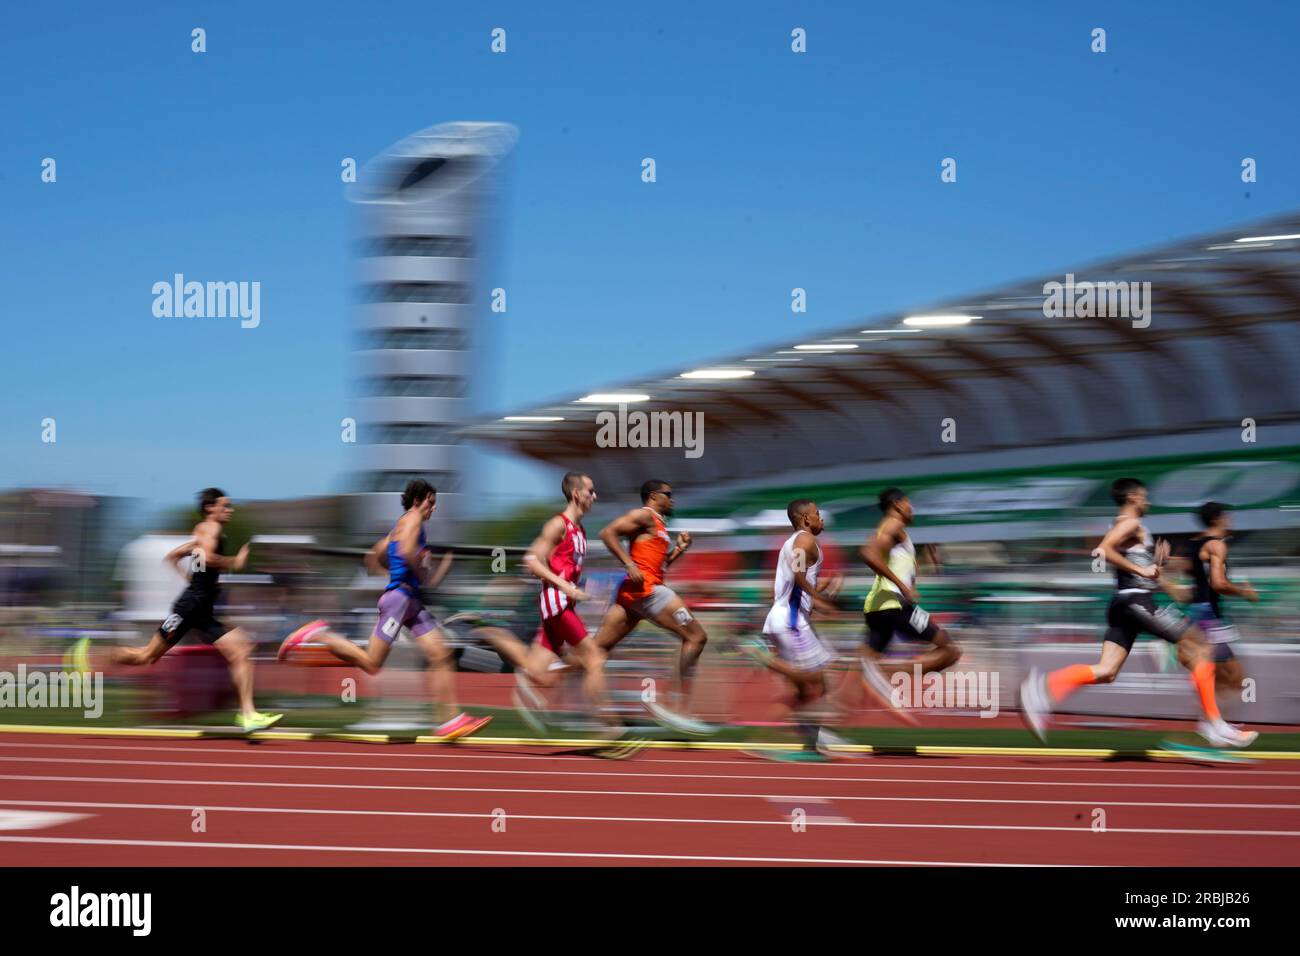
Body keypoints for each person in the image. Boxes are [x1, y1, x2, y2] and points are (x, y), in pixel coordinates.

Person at [1020, 479, 1257, 749]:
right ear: (1133, 497)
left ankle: (1041, 688)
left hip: (1123, 603)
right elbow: (1104, 550)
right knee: (1200, 646)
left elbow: (1133, 564)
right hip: (1137, 602)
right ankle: (1213, 725)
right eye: (1145, 497)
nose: (1148, 502)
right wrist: (1143, 571)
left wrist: (1156, 565)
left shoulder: (1127, 525)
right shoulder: (1130, 523)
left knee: (1106, 671)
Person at [278, 479, 489, 741]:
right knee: (371, 664)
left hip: (410, 601)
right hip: (399, 601)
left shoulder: (401, 526)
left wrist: (400, 571)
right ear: (417, 501)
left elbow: (373, 556)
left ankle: (450, 720)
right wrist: (416, 568)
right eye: (431, 503)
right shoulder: (412, 519)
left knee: (441, 653)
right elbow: (405, 550)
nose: (433, 509)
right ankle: (319, 634)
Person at [112, 488, 283, 732]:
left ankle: (248, 714)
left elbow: (173, 556)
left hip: (201, 608)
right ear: (210, 508)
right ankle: (102, 657)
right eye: (225, 506)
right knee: (146, 657)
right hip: (190, 608)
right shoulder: (210, 528)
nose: (230, 510)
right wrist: (233, 562)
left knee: (242, 649)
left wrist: (192, 578)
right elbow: (208, 556)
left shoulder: (202, 532)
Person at [592, 479, 712, 733]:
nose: (673, 499)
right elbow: (607, 533)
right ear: (654, 496)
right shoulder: (643, 516)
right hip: (646, 590)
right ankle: (673, 705)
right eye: (669, 494)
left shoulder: (658, 525)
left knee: (596, 650)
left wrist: (679, 549)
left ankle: (543, 675)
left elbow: (660, 566)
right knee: (696, 637)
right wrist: (628, 563)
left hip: (634, 594)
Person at [739, 499, 850, 760]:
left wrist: (822, 591)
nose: (821, 519)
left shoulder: (795, 542)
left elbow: (796, 584)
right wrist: (820, 600)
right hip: (791, 621)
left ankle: (809, 742)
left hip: (788, 618)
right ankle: (759, 654)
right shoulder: (804, 541)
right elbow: (798, 573)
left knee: (809, 689)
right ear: (805, 519)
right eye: (817, 514)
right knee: (815, 680)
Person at [853, 487, 961, 717]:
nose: (912, 509)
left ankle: (823, 716)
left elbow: (897, 565)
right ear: (898, 505)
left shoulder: (895, 531)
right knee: (950, 650)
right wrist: (901, 586)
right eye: (909, 504)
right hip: (894, 606)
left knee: (863, 668)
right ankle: (883, 672)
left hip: (882, 606)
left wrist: (923, 559)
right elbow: (867, 553)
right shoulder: (893, 524)